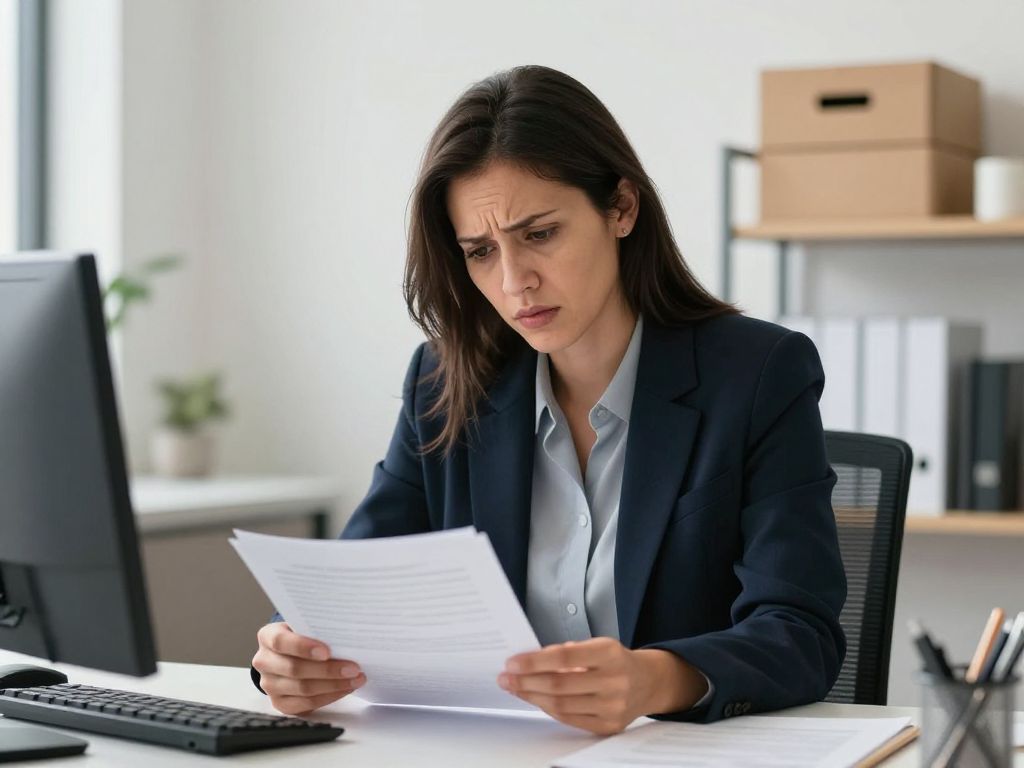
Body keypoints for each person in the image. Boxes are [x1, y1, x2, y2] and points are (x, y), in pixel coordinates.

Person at [250, 64, 846, 736]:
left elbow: (800, 633)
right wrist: (290, 650)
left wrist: (652, 678)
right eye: (480, 251)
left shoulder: (759, 373)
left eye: (539, 234)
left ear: (621, 208)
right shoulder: (443, 384)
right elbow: (351, 592)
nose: (514, 281)